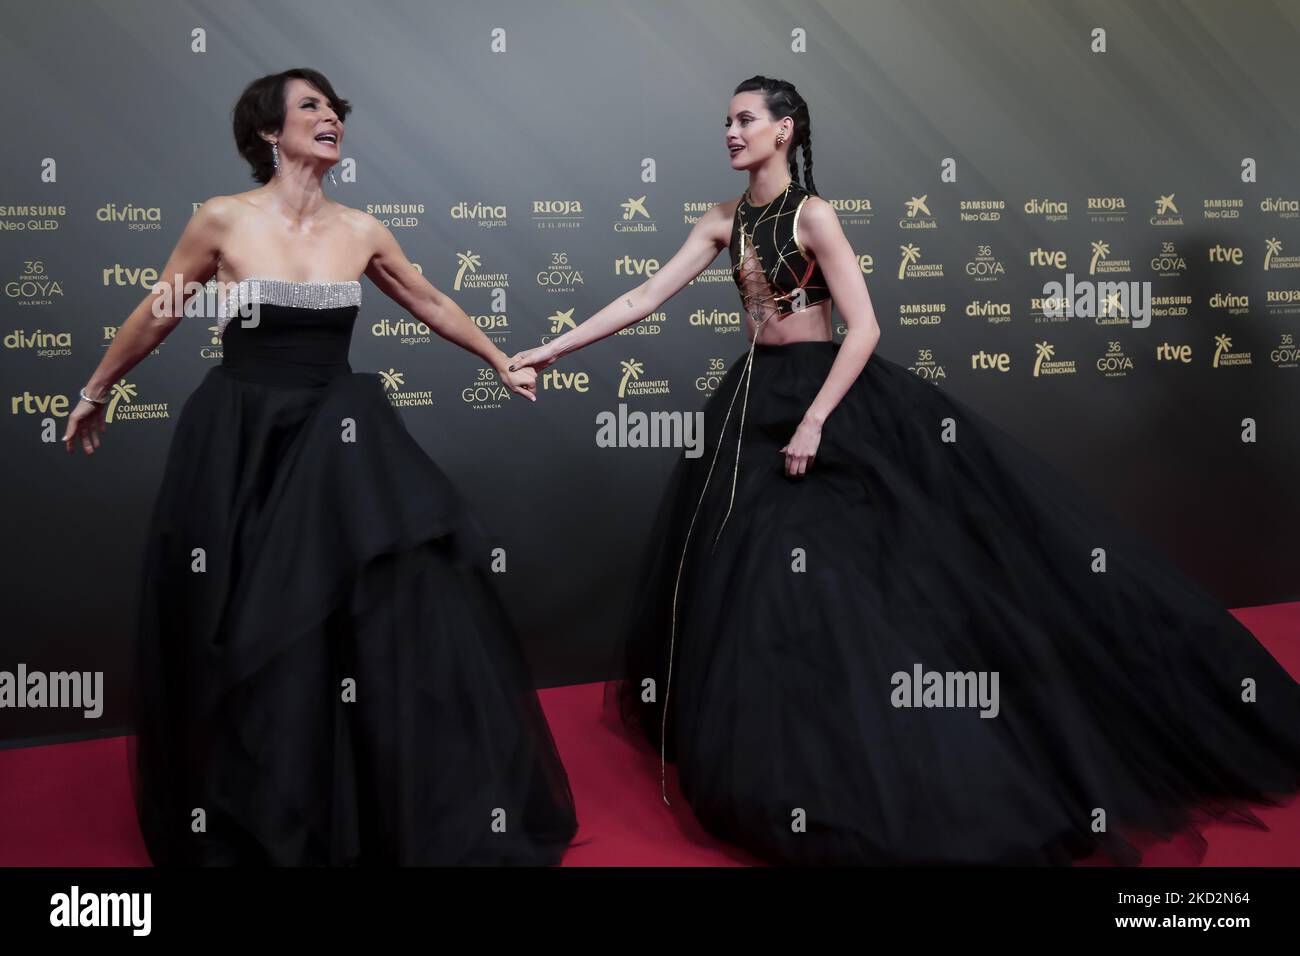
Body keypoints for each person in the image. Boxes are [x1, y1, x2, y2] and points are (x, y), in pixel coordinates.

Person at [508, 75, 1300, 865]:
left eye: (745, 119)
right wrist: (554, 345)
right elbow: (645, 294)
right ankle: (795, 762)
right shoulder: (721, 220)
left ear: (785, 130)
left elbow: (866, 326)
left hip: (832, 405)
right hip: (755, 402)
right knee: (761, 583)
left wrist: (817, 418)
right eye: (726, 121)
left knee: (859, 587)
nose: (730, 132)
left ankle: (911, 763)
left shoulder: (813, 214)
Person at [64, 68, 577, 865]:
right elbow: (160, 309)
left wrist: (497, 358)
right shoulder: (221, 220)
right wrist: (98, 388)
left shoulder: (363, 229)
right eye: (310, 107)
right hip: (243, 441)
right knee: (250, 620)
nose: (329, 117)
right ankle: (261, 809)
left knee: (362, 618)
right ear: (270, 131)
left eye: (335, 109)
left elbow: (430, 300)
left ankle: (368, 809)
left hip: (338, 444)